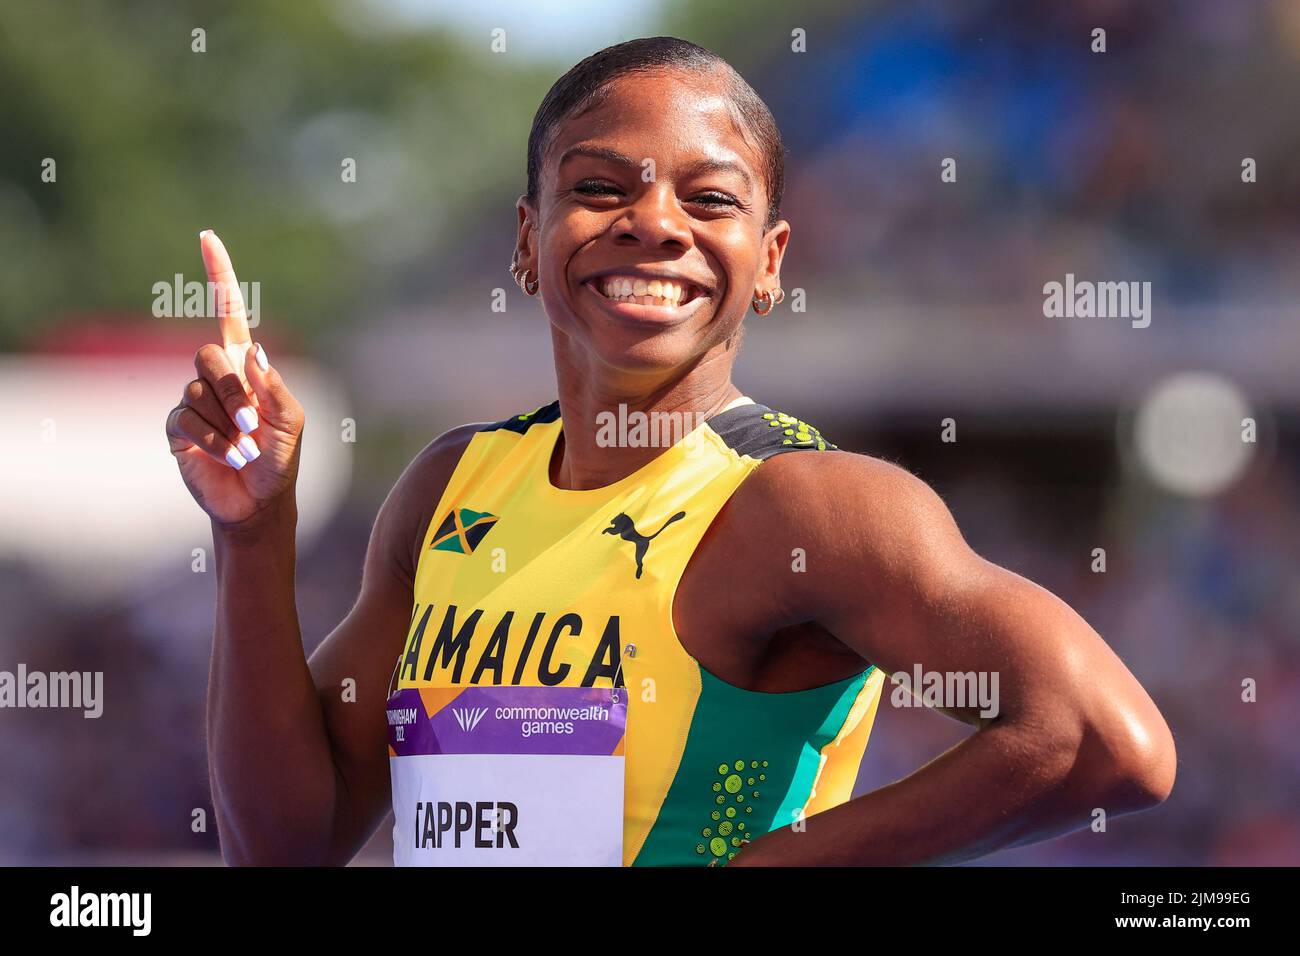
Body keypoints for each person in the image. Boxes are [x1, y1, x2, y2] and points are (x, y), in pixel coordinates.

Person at [165, 37, 1175, 866]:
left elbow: (1096, 737)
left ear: (770, 259)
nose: (653, 222)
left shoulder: (803, 507)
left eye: (711, 199)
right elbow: (282, 847)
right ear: (528, 237)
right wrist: (255, 533)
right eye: (600, 186)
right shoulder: (451, 486)